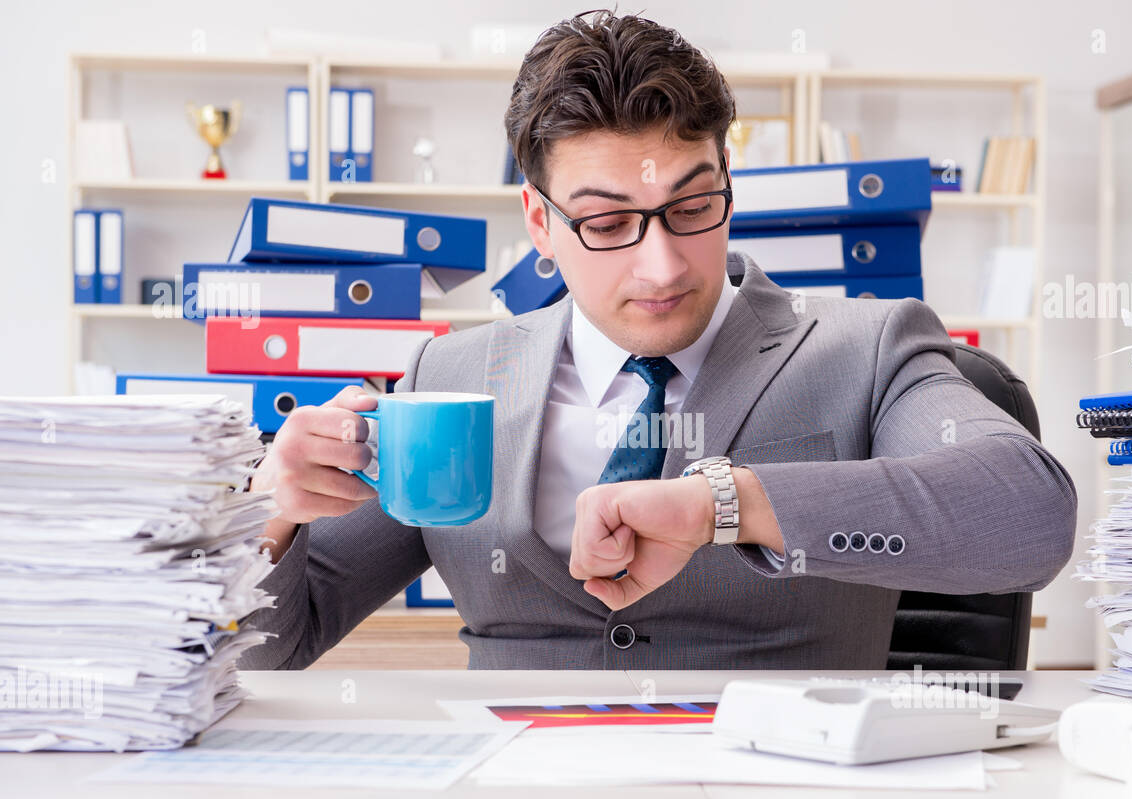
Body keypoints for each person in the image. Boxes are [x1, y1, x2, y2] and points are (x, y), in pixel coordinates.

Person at [238, 9, 1077, 670]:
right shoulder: (449, 373)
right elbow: (277, 644)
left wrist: (727, 503)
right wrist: (274, 515)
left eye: (691, 206)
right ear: (540, 222)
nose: (663, 263)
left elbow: (1029, 518)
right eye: (606, 221)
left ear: (729, 189)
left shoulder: (866, 345)